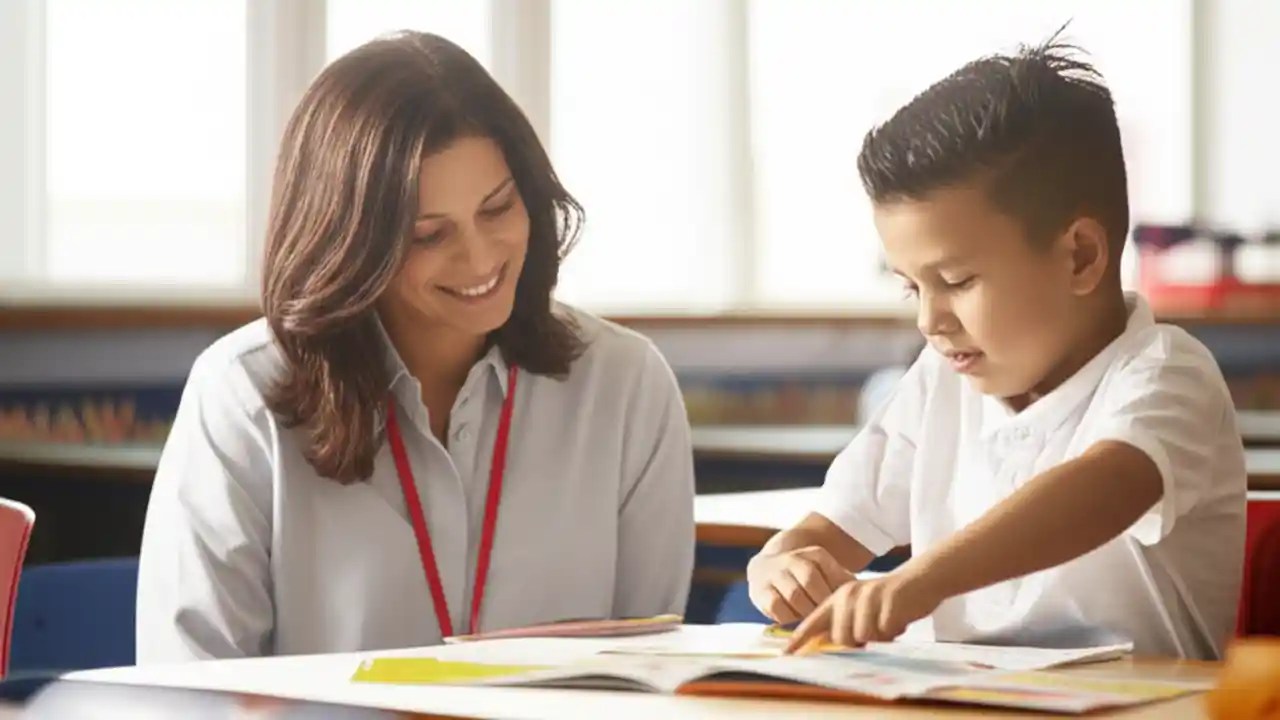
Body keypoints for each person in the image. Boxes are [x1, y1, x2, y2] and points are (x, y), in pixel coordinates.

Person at [136, 32, 695, 662]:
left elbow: (652, 674)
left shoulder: (625, 385)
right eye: (430, 236)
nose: (480, 258)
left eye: (498, 208)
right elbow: (186, 689)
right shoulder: (242, 395)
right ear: (351, 245)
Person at [748, 35, 1245, 660]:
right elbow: (828, 530)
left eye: (956, 282)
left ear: (1080, 256)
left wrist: (919, 581)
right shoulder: (940, 382)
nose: (931, 320)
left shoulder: (1168, 374)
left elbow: (1105, 485)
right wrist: (779, 565)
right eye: (911, 287)